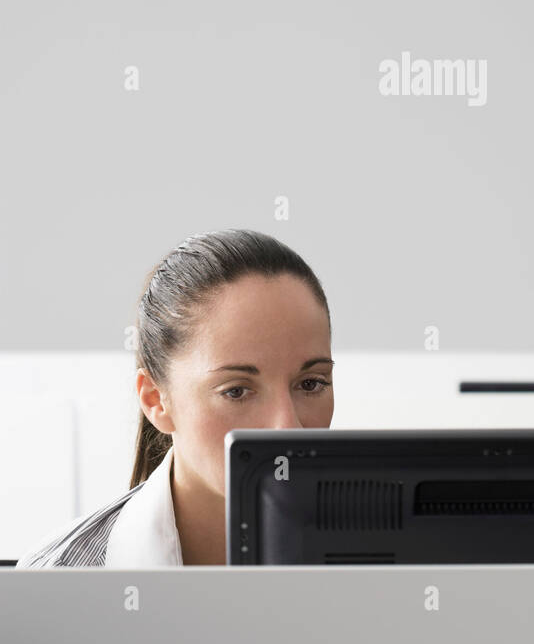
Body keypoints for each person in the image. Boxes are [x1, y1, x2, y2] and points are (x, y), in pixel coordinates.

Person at [16, 229, 333, 568]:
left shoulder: (392, 563)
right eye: (236, 391)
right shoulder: (56, 581)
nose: (286, 429)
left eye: (310, 384)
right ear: (155, 399)